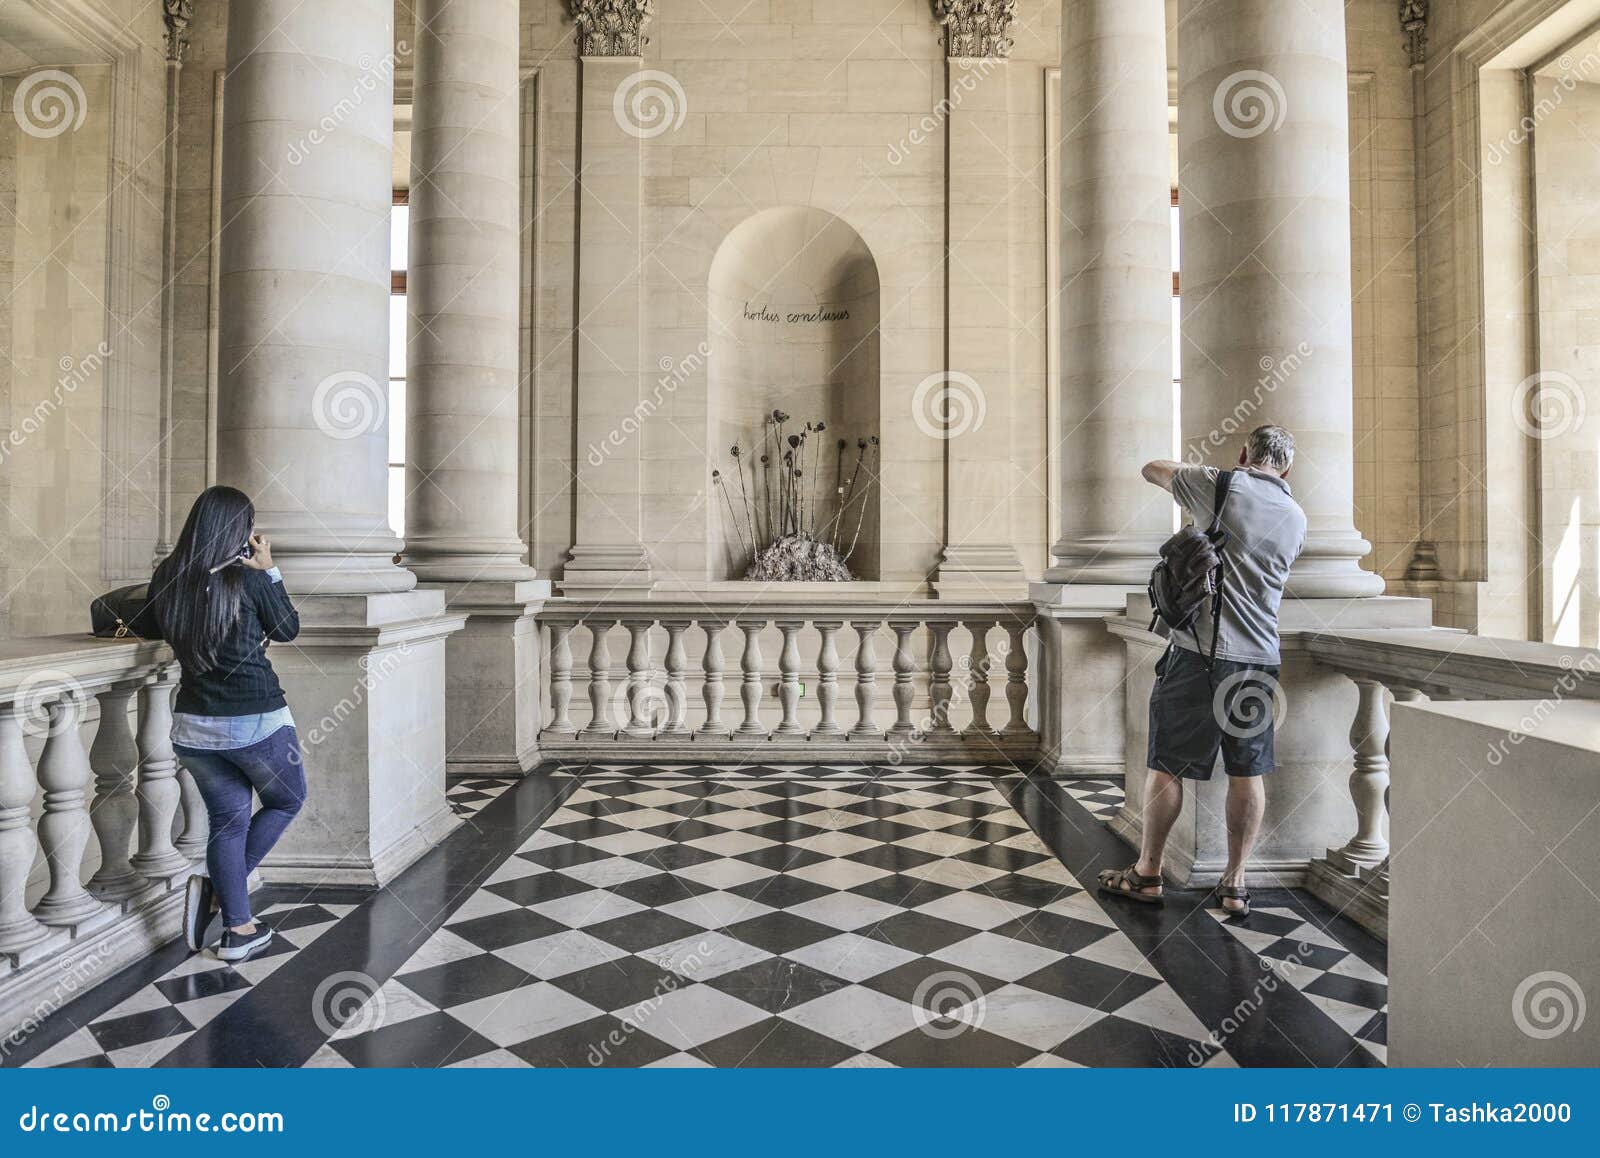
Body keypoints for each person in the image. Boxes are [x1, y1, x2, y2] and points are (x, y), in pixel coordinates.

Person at [1099, 425, 1307, 917]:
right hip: (1258, 660)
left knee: (1168, 766)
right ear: (1288, 469)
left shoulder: (1220, 485)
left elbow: (1151, 468)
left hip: (1198, 656)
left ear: (1243, 455)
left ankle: (1147, 873)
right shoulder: (1297, 517)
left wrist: (1205, 477)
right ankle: (1234, 883)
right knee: (1247, 771)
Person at [149, 485, 304, 961]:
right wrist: (269, 569)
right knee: (287, 799)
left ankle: (239, 926)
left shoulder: (167, 578)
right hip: (255, 720)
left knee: (227, 823)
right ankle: (223, 901)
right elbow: (287, 630)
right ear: (241, 530)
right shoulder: (249, 578)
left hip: (193, 728)